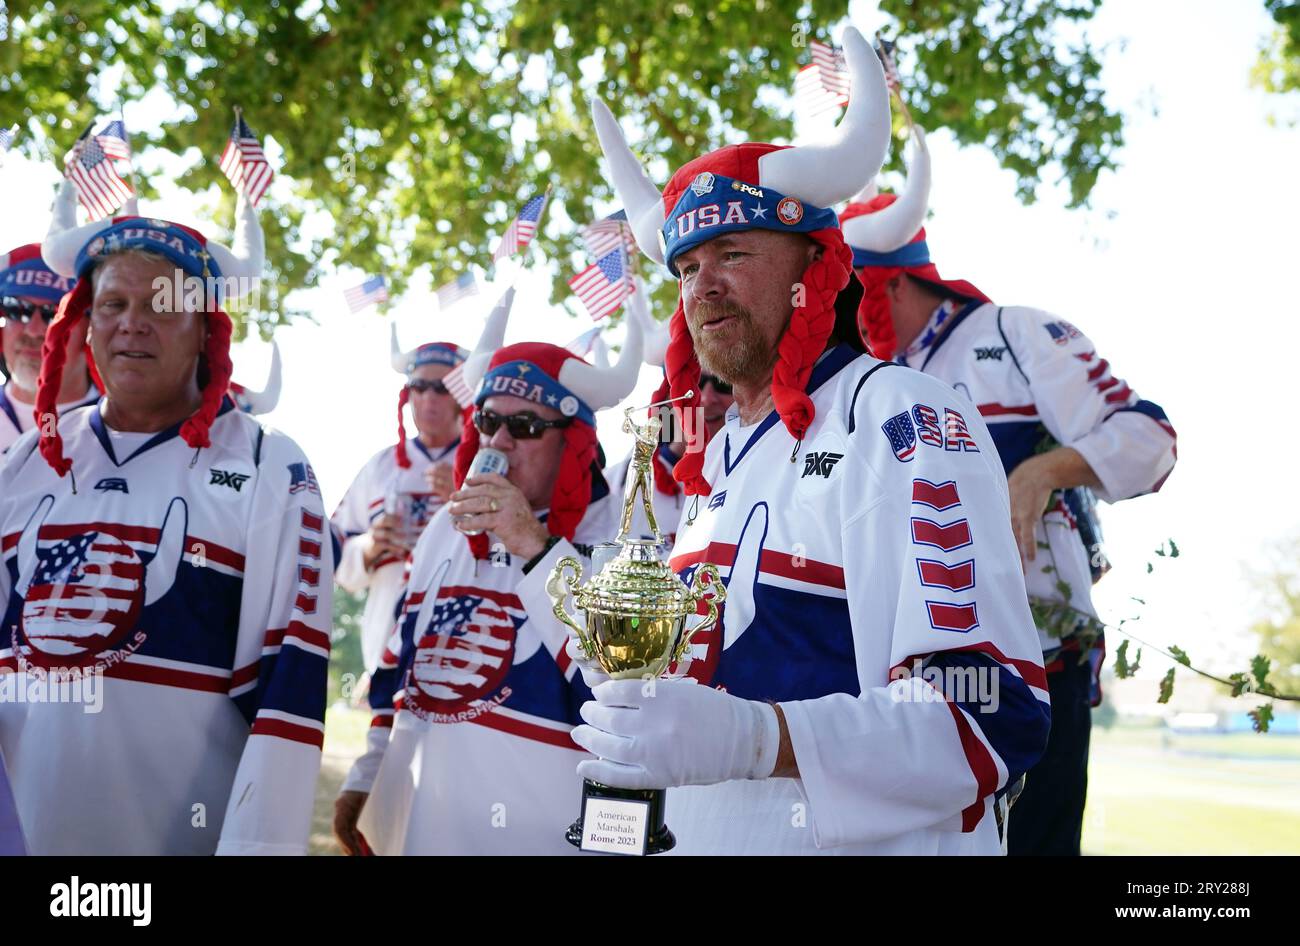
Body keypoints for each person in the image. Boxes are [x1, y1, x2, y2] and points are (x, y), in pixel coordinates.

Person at [569, 25, 1049, 855]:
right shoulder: (719, 455)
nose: (701, 286)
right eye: (684, 267)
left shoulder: (901, 414)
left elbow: (988, 711)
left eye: (732, 251)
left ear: (812, 273)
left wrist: (757, 740)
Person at [841, 127, 1177, 855]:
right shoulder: (861, 385)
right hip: (902, 681)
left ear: (887, 280)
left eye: (847, 291)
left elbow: (1150, 440)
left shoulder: (1013, 331)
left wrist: (1040, 471)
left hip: (1035, 660)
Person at [0, 183, 330, 854]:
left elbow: (286, 700)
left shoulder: (272, 468)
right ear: (84, 324)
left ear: (206, 331)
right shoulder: (24, 462)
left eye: (160, 307)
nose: (132, 323)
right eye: (113, 305)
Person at [332, 289, 643, 855]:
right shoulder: (445, 530)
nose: (497, 442)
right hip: (424, 827)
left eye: (525, 425)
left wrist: (532, 543)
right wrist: (364, 779)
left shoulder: (624, 540)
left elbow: (625, 692)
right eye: (489, 421)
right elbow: (399, 668)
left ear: (574, 441)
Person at [331, 327, 466, 672]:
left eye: (442, 388)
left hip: (462, 642)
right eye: (419, 387)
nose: (428, 399)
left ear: (462, 396)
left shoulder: (486, 463)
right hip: (384, 643)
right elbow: (331, 557)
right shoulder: (379, 467)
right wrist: (371, 546)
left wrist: (464, 499)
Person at [601, 283, 735, 545]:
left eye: (723, 384)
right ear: (668, 397)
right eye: (693, 386)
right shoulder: (618, 481)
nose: (706, 398)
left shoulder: (759, 464)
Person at [1, 241, 98, 453]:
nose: (33, 331)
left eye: (54, 314)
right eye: (17, 310)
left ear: (91, 329)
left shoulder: (126, 424)